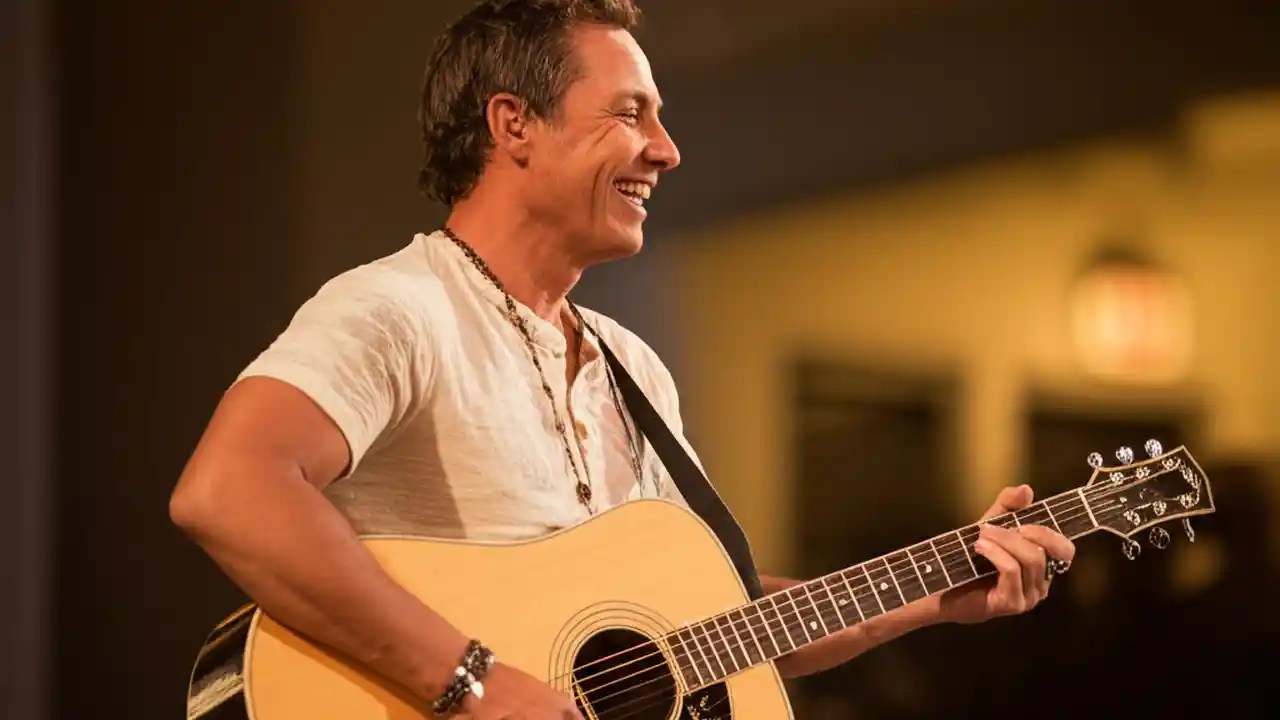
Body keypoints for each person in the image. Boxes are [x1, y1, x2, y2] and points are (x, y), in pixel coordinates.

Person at [168, 1, 1076, 718]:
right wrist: (471, 682)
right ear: (513, 124)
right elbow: (227, 490)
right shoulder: (399, 309)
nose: (666, 150)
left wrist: (932, 593)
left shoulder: (631, 367)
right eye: (631, 113)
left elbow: (709, 625)